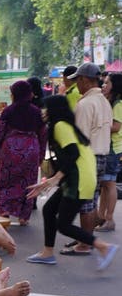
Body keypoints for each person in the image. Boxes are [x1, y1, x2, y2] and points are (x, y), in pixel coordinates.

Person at [25, 96, 118, 271]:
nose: (43, 112)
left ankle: (103, 246)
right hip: (77, 176)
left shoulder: (60, 126)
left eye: (45, 108)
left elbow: (73, 153)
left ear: (53, 110)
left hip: (78, 178)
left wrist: (55, 178)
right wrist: (53, 179)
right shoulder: (65, 125)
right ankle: (47, 253)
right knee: (49, 210)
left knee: (64, 224)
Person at [63, 63, 113, 255]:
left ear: (84, 80)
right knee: (91, 199)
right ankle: (84, 238)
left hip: (88, 157)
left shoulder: (85, 104)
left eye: (78, 80)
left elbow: (80, 137)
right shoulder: (103, 101)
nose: (77, 85)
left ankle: (85, 243)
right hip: (102, 155)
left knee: (86, 202)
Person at [0, 80, 47, 225]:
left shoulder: (8, 111)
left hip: (10, 149)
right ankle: (24, 217)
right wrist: (41, 154)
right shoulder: (37, 111)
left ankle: (5, 210)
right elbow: (43, 135)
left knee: (5, 182)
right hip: (31, 150)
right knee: (28, 182)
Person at [95, 73, 122, 232]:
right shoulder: (110, 102)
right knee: (104, 184)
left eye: (106, 83)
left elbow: (116, 127)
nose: (103, 86)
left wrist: (97, 124)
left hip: (113, 148)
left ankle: (109, 218)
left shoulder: (118, 104)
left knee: (109, 184)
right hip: (108, 147)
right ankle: (101, 216)